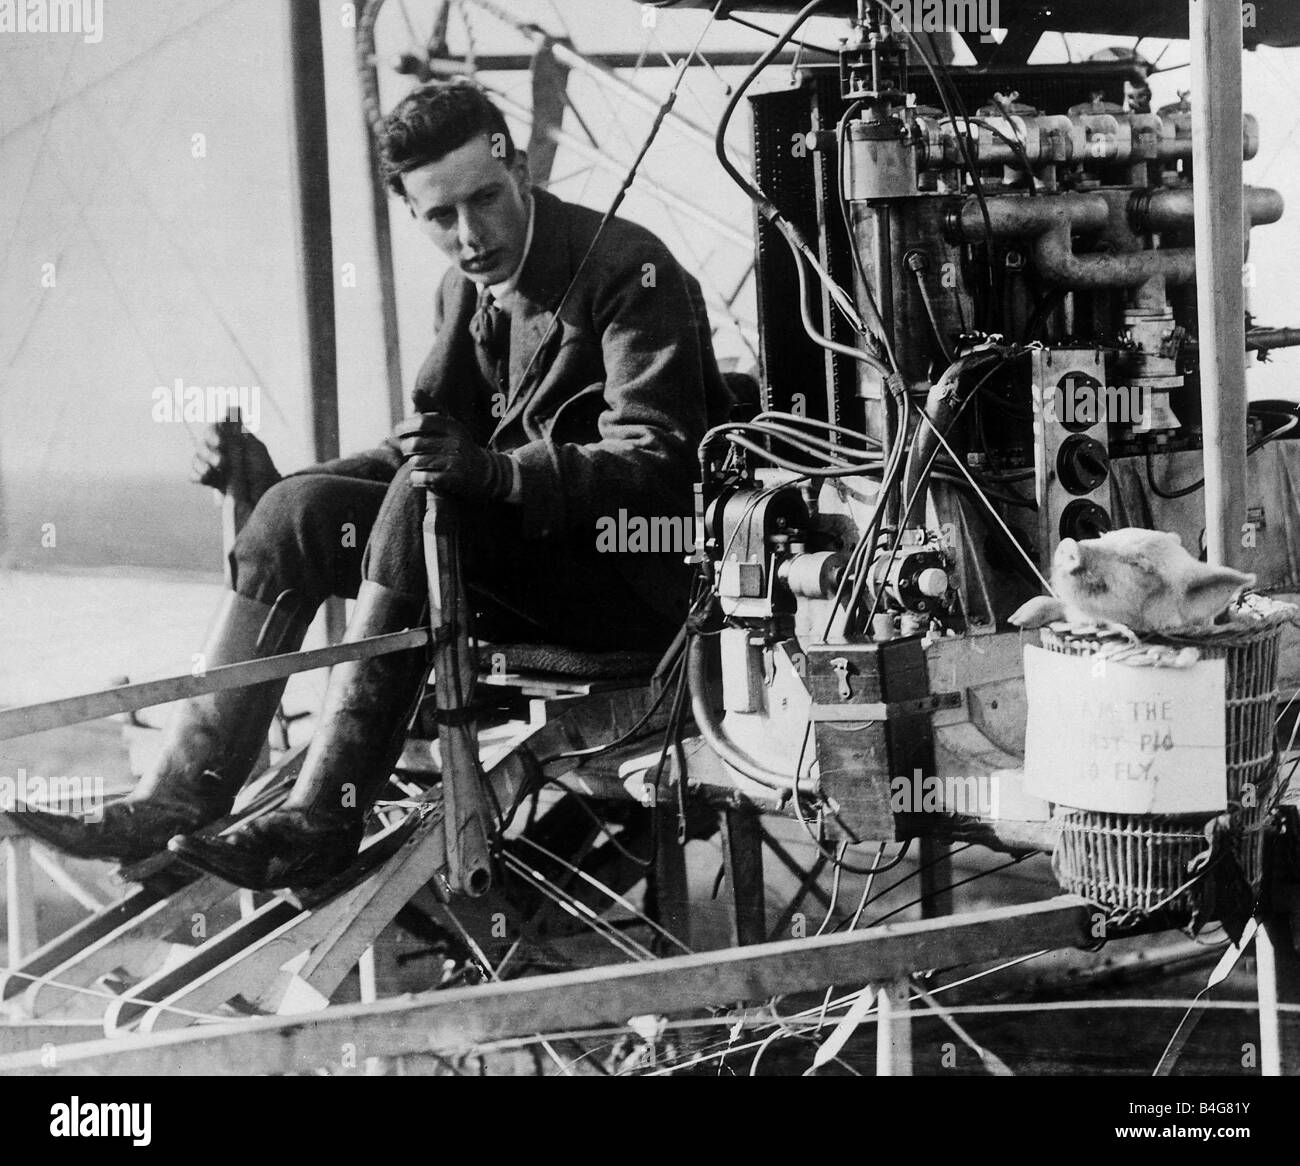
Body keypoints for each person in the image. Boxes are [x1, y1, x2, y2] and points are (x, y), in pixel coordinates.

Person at [13, 80, 732, 889]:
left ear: (519, 168)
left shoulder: (624, 266)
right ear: (411, 210)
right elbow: (423, 447)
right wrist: (274, 486)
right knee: (298, 511)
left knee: (429, 498)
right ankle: (182, 795)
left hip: (631, 586)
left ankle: (324, 814)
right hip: (512, 566)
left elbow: (662, 460)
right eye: (439, 217)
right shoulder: (464, 291)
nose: (469, 235)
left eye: (486, 199)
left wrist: (497, 473)